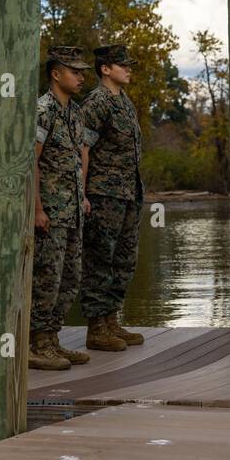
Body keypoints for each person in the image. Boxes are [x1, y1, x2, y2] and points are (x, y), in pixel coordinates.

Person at [80, 44, 147, 352]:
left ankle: (111, 320)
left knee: (124, 258)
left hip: (128, 192)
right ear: (105, 68)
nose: (128, 69)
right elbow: (84, 148)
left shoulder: (125, 102)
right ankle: (96, 328)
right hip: (104, 193)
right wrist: (82, 192)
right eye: (122, 65)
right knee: (100, 259)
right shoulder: (97, 102)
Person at [30, 46, 93, 371]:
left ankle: (52, 340)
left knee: (69, 279)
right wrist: (37, 209)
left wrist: (81, 196)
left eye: (83, 71)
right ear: (56, 73)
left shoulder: (75, 111)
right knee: (46, 279)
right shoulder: (42, 110)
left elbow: (74, 161)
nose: (81, 77)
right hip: (50, 214)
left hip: (71, 211)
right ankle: (35, 343)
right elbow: (31, 163)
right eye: (74, 71)